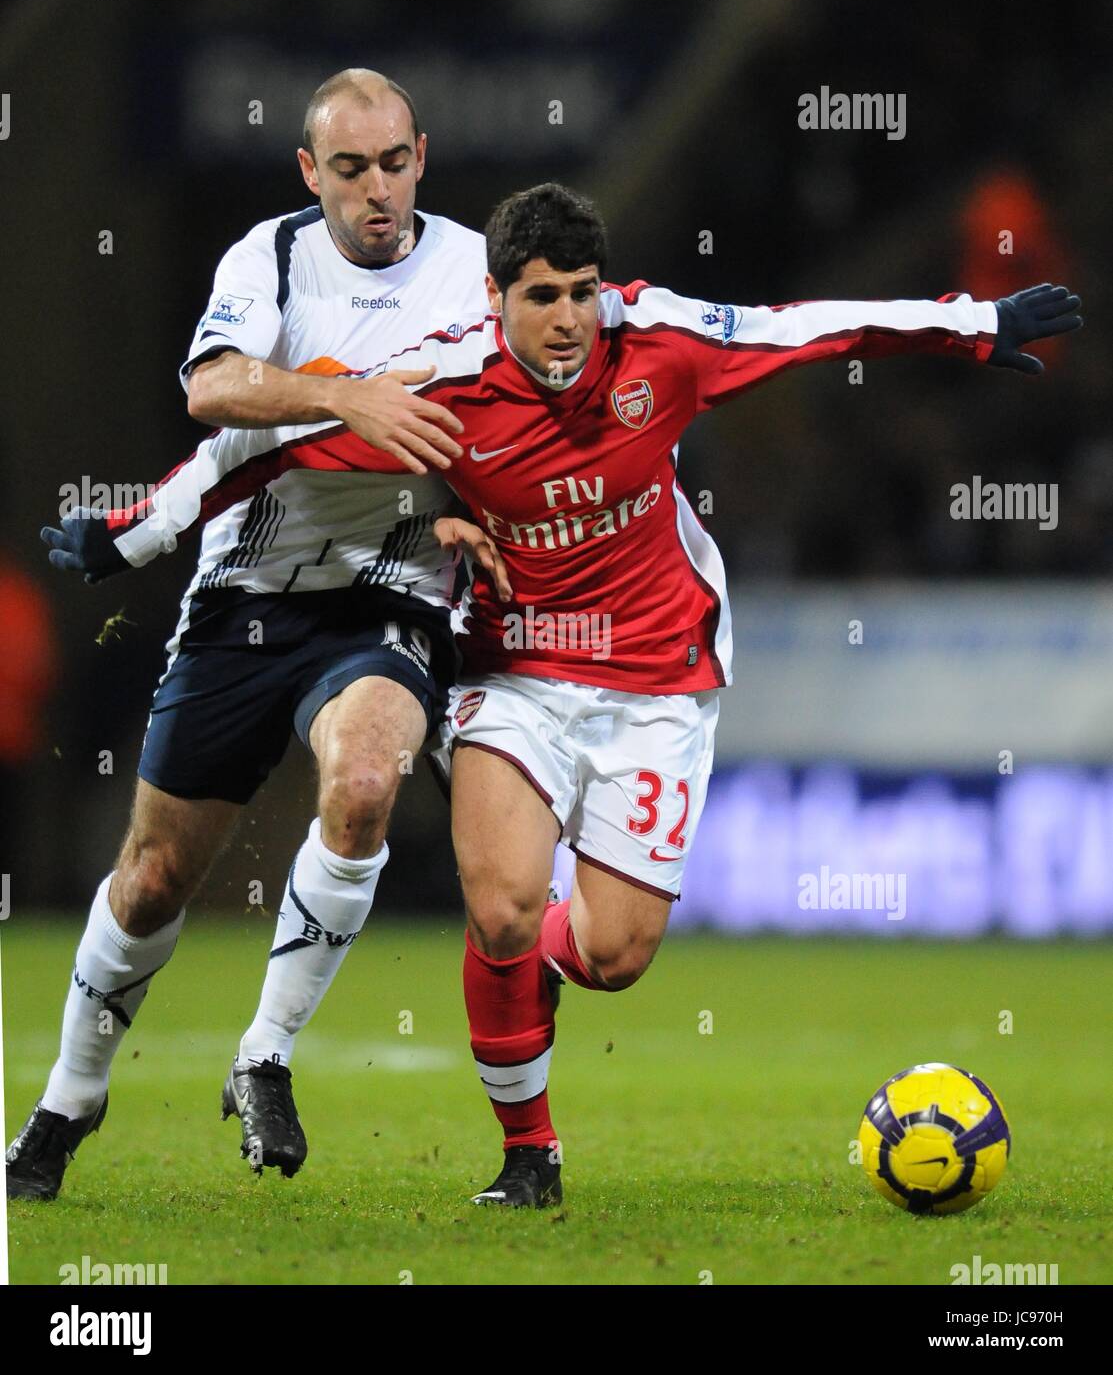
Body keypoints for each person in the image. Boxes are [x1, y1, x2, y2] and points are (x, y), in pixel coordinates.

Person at [191, 181, 1079, 1207]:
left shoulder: (659, 339)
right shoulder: (442, 374)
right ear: (497, 295)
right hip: (513, 665)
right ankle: (531, 1158)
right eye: (542, 296)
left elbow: (803, 334)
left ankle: (542, 976)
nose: (567, 317)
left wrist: (970, 323)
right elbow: (269, 452)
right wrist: (136, 530)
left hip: (657, 672)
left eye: (581, 292)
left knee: (613, 952)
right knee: (506, 908)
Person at [5, 68, 507, 1201]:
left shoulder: (479, 267)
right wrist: (351, 397)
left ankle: (265, 1051)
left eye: (393, 164)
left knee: (368, 779)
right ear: (308, 173)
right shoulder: (270, 256)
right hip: (245, 598)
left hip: (393, 592)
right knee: (151, 881)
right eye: (349, 169)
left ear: (421, 155)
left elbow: (522, 413)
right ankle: (67, 1100)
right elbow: (219, 392)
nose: (376, 191)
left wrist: (491, 509)